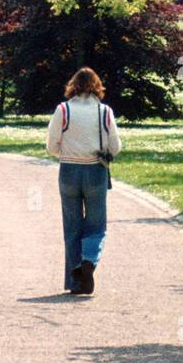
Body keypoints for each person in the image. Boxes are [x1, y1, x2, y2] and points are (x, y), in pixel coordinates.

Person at [46, 67, 122, 295]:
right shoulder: (104, 111)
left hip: (69, 170)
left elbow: (51, 145)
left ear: (73, 86)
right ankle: (89, 262)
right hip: (95, 171)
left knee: (72, 227)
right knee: (96, 225)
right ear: (97, 86)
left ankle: (75, 280)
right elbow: (115, 146)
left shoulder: (63, 110)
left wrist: (66, 151)